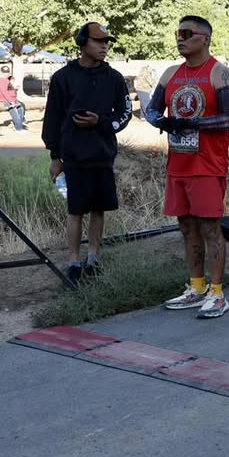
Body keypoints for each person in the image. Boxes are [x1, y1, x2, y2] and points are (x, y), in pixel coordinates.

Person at [145, 15, 229, 319]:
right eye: (178, 33)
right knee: (186, 228)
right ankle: (196, 287)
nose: (180, 38)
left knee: (210, 228)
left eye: (187, 33)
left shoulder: (220, 74)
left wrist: (189, 123)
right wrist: (162, 121)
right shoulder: (170, 73)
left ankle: (217, 292)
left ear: (205, 38)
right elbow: (151, 109)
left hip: (208, 165)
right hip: (178, 164)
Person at [44, 22, 133, 286]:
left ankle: (93, 258)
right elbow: (52, 119)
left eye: (107, 42)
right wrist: (54, 156)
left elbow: (125, 113)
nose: (104, 46)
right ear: (83, 42)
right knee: (76, 210)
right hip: (73, 156)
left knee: (99, 209)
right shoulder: (62, 78)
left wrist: (101, 123)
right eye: (98, 41)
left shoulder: (115, 78)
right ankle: (73, 261)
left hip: (103, 155)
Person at [0, 65, 27, 131]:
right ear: (1, 72)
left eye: (7, 72)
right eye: (4, 72)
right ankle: (19, 128)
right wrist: (11, 101)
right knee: (14, 111)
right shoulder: (1, 80)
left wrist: (15, 89)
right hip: (5, 99)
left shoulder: (7, 79)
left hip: (12, 98)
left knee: (21, 108)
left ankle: (20, 124)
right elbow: (4, 92)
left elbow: (9, 90)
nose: (6, 74)